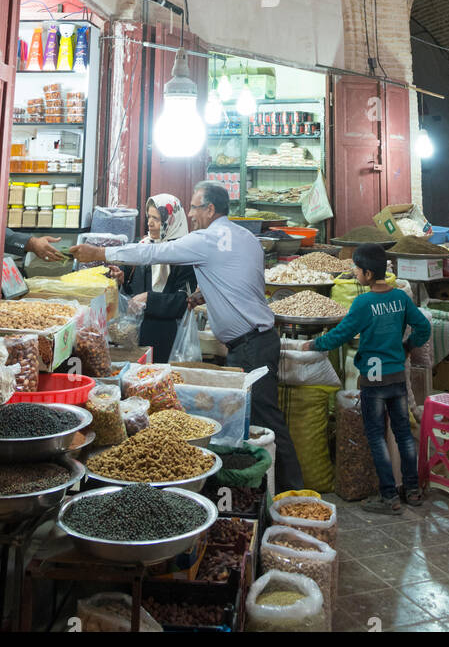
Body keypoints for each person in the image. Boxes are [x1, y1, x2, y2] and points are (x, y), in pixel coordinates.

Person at [72, 179, 304, 492]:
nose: (192, 214)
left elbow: (157, 253)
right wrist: (202, 294)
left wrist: (99, 251)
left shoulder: (207, 239)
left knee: (267, 419)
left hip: (249, 345)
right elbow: (238, 279)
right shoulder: (246, 237)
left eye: (195, 207)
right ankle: (266, 490)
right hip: (258, 338)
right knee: (257, 419)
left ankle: (291, 490)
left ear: (210, 209)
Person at [303, 243, 431, 515]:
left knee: (376, 437)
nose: (353, 272)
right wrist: (408, 346)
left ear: (368, 274)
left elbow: (342, 334)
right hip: (396, 376)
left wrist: (315, 345)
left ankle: (388, 497)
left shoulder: (363, 303)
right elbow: (424, 326)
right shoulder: (400, 298)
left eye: (357, 269)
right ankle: (412, 490)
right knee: (403, 434)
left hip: (373, 380)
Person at [123, 194, 197, 362]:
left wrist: (150, 299)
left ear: (170, 221)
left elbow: (182, 302)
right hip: (138, 336)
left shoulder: (185, 256)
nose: (149, 223)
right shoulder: (143, 247)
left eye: (156, 218)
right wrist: (122, 280)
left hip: (168, 339)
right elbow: (133, 290)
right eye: (149, 217)